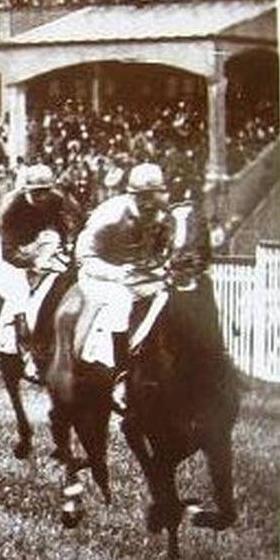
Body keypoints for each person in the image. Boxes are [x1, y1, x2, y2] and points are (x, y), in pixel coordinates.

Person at [74, 162, 174, 409]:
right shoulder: (110, 215)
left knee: (172, 297)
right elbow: (83, 256)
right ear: (131, 195)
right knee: (120, 300)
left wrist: (163, 269)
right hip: (100, 274)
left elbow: (162, 255)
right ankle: (120, 376)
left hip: (137, 276)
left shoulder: (163, 216)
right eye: (143, 197)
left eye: (154, 196)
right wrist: (115, 273)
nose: (149, 203)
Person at [0, 163, 84, 378]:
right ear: (26, 190)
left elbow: (68, 225)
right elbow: (8, 253)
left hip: (41, 246)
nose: (42, 198)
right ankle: (24, 353)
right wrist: (33, 263)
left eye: (45, 191)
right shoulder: (11, 207)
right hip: (9, 252)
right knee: (20, 294)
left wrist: (66, 248)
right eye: (36, 193)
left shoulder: (56, 199)